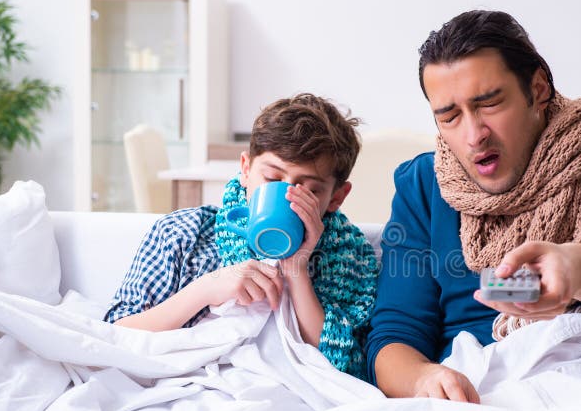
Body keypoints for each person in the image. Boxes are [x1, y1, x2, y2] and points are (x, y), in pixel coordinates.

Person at [365, 10, 581, 401]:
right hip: (473, 410)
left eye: (490, 104)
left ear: (538, 89)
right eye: (449, 117)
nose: (473, 135)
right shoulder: (423, 185)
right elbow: (394, 338)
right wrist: (423, 380)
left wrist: (576, 270)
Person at [105, 93, 378, 380]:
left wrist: (298, 269)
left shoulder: (350, 259)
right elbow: (114, 334)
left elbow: (346, 370)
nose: (287, 196)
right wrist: (207, 288)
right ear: (246, 169)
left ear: (336, 198)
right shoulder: (183, 233)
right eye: (272, 179)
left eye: (309, 190)